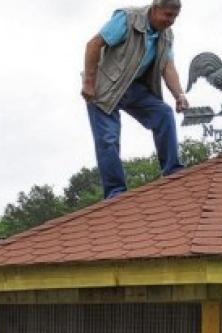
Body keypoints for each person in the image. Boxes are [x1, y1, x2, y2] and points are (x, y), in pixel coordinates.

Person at [81, 0, 188, 199]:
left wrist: (179, 95)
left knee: (164, 113)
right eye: (167, 15)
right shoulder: (128, 19)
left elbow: (167, 67)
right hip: (103, 87)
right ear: (155, 8)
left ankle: (173, 171)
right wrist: (89, 82)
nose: (171, 21)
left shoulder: (166, 35)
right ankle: (115, 192)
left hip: (133, 87)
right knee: (108, 139)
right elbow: (93, 44)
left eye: (174, 17)